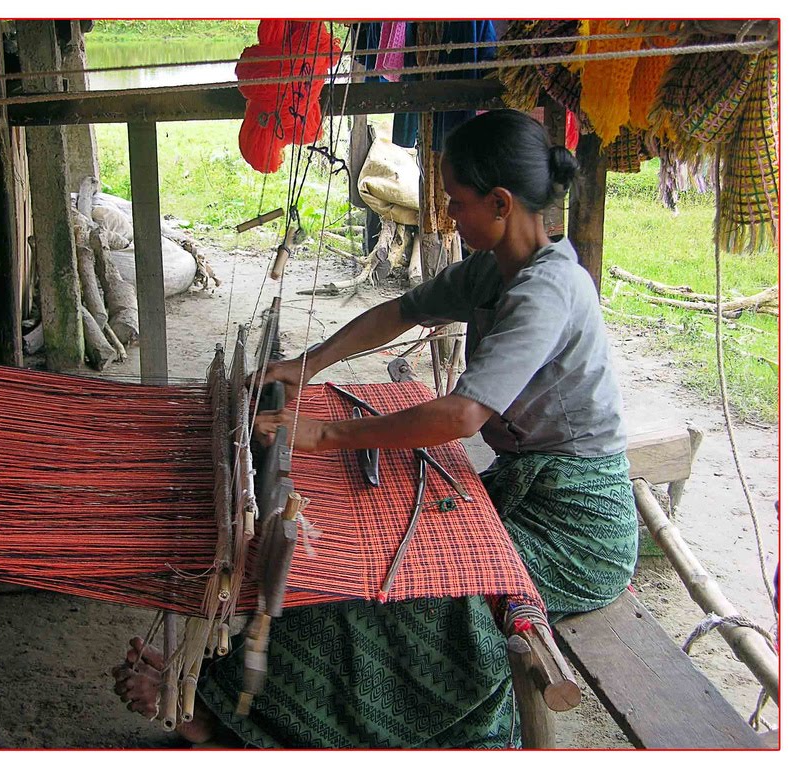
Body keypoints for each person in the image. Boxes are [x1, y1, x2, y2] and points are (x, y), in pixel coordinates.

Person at [113, 109, 638, 748]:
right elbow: (404, 310)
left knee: (427, 597)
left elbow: (461, 415)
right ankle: (229, 703)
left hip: (578, 525)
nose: (448, 216)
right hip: (523, 491)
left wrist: (325, 435)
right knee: (357, 563)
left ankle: (244, 725)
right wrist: (307, 365)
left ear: (501, 204)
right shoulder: (496, 267)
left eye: (457, 203)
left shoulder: (548, 290)